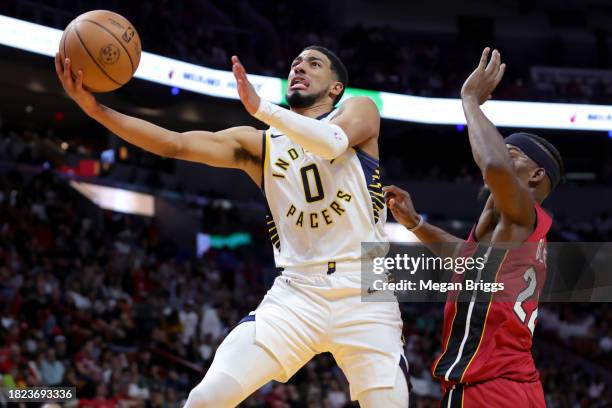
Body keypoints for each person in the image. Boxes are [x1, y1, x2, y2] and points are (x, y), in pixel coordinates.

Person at [55, 45, 409, 407]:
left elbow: (332, 143)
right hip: (298, 291)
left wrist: (261, 109)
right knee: (205, 398)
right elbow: (173, 143)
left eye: (313, 64)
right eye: (295, 63)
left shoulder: (358, 108)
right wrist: (95, 110)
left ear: (336, 88)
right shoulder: (258, 144)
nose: (299, 68)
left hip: (366, 288)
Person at [383, 48, 564, 407]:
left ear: (536, 174)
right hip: (514, 386)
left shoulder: (523, 214)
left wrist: (469, 100)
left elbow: (495, 166)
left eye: (511, 152)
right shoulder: (510, 233)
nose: (488, 153)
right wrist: (417, 224)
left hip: (489, 386)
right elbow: (465, 259)